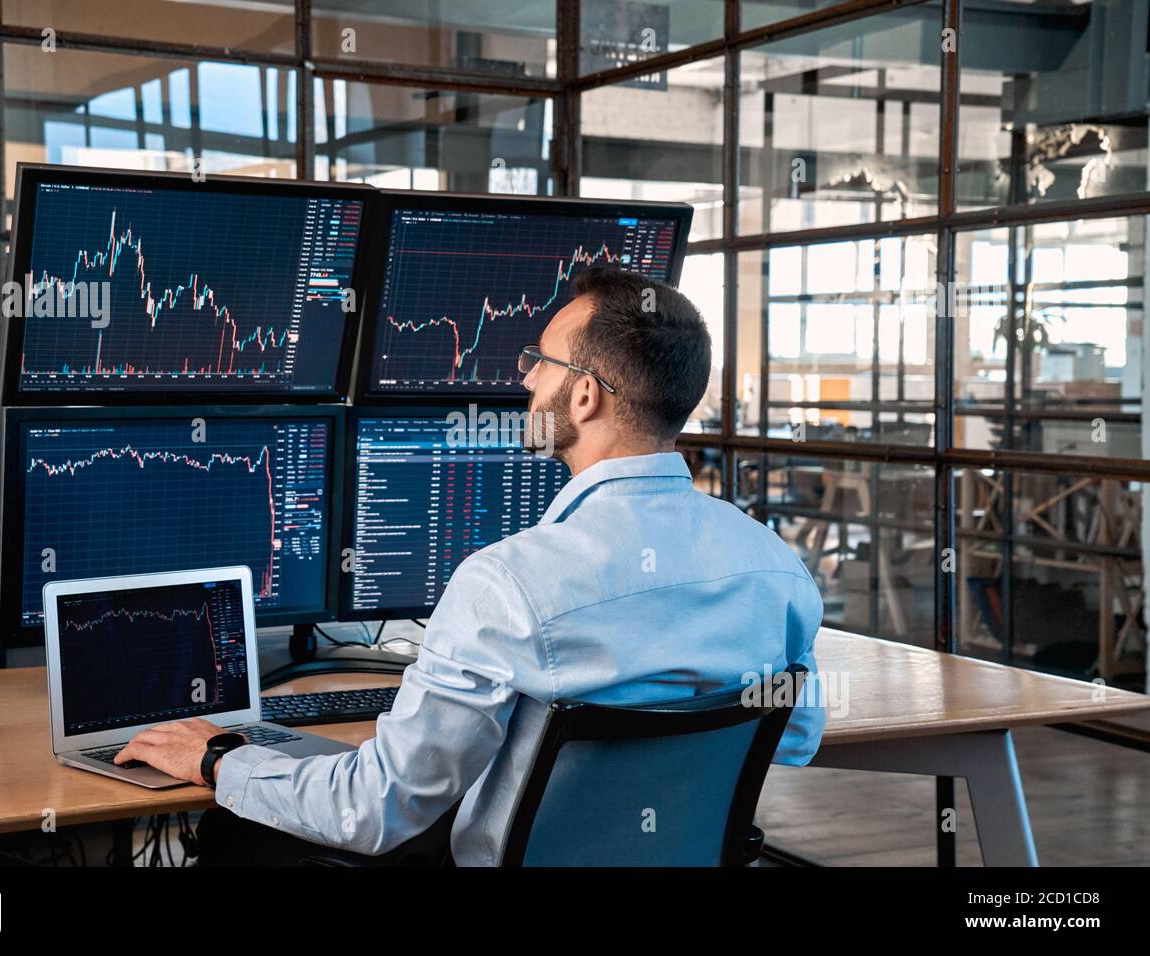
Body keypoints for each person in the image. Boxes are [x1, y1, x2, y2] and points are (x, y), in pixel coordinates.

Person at [116, 266, 825, 866]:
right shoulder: (776, 569)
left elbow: (375, 808)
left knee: (233, 831)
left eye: (539, 363)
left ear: (584, 395)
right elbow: (792, 736)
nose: (526, 385)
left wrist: (219, 758)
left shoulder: (508, 585)